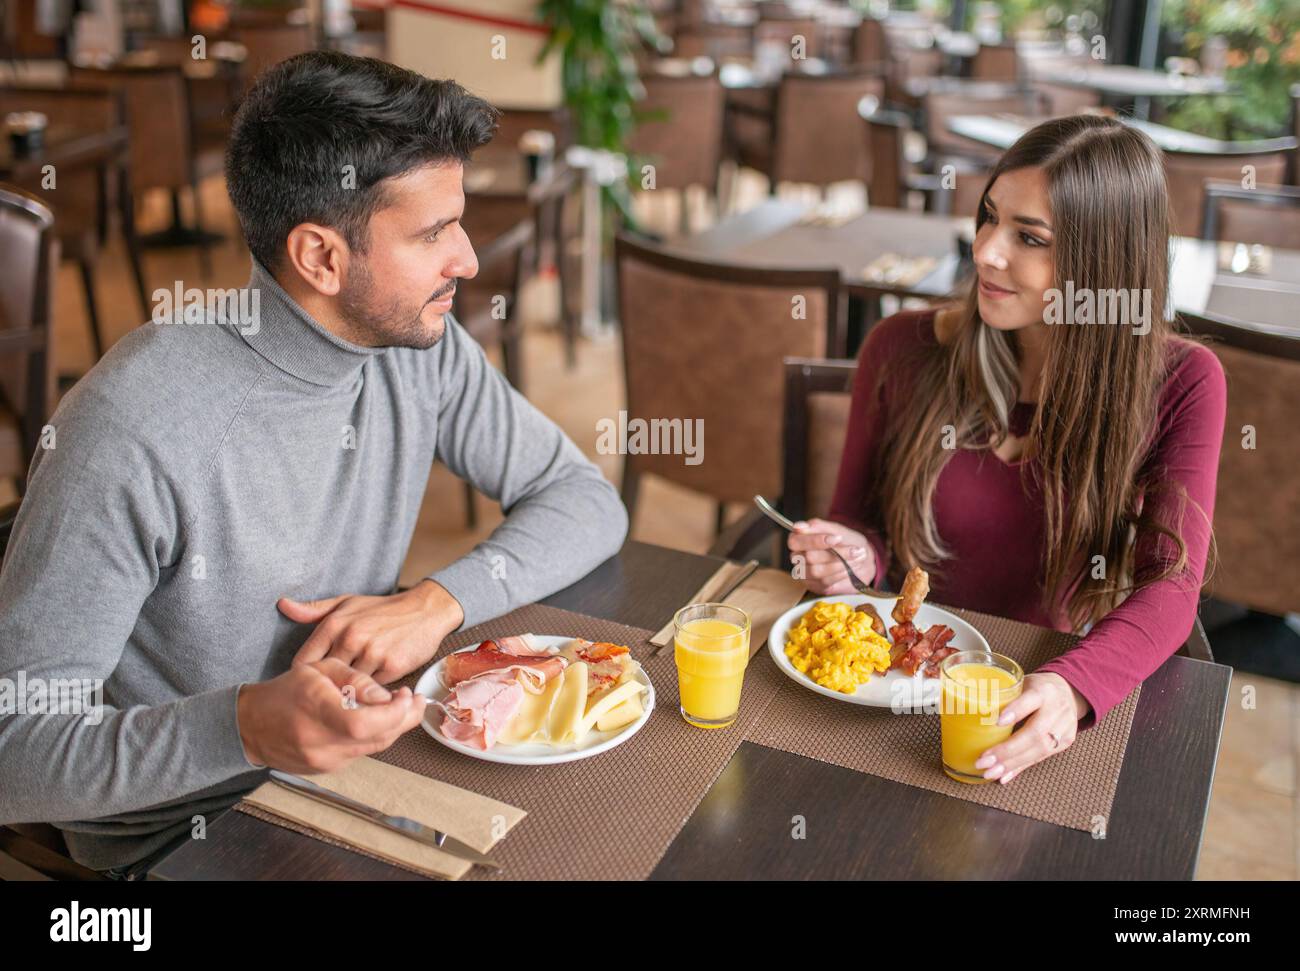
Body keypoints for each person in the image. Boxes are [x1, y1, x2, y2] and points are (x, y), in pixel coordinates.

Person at [0, 51, 628, 873]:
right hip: (185, 836)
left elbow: (585, 498)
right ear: (321, 257)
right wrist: (245, 726)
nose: (469, 260)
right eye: (434, 232)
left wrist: (437, 601)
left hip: (356, 775)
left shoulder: (417, 349)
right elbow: (14, 752)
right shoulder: (135, 425)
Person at [789, 114, 1226, 784]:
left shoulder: (1184, 382)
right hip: (885, 691)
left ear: (1101, 265)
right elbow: (862, 528)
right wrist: (851, 558)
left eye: (1030, 238)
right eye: (989, 217)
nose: (987, 251)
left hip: (1028, 703)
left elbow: (1170, 587)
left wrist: (1071, 687)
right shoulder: (901, 347)